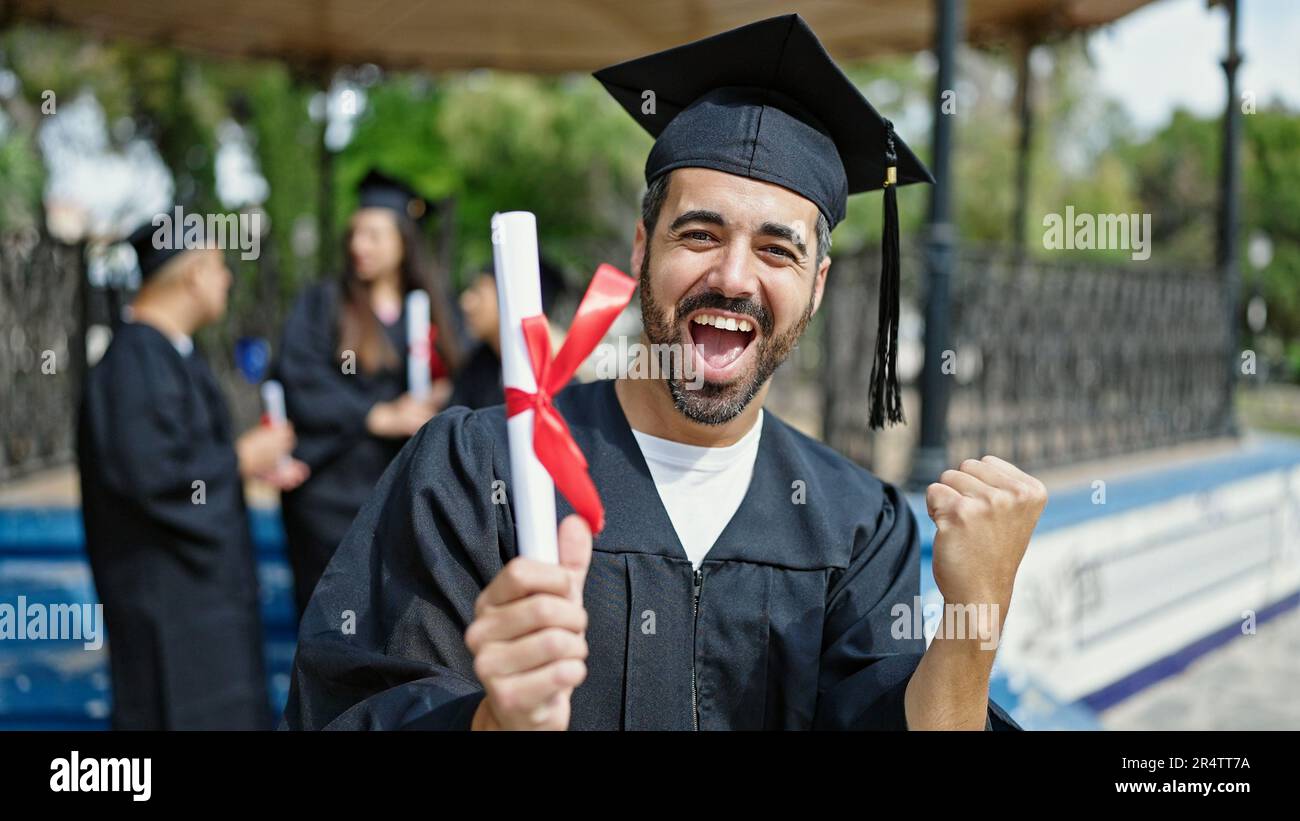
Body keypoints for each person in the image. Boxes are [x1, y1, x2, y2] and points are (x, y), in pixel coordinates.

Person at [283, 15, 1047, 731]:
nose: (733, 276)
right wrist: (491, 719)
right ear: (642, 250)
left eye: (777, 250)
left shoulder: (856, 526)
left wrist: (971, 626)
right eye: (700, 233)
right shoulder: (476, 473)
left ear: (815, 286)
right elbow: (349, 704)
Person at [78, 214, 307, 730]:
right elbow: (151, 478)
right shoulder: (135, 363)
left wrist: (240, 472)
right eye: (220, 266)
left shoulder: (171, 357)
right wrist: (240, 460)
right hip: (169, 624)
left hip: (204, 617)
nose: (226, 279)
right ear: (194, 272)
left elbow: (184, 467)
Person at [275, 170, 461, 618]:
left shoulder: (435, 306)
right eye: (356, 233)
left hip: (404, 487)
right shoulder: (325, 302)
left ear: (403, 240)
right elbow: (298, 380)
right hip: (331, 493)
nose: (361, 245)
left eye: (374, 235)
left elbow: (464, 375)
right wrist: (375, 414)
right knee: (333, 615)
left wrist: (440, 395)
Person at [449, 257, 569, 410]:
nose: (465, 302)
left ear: (510, 299)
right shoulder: (478, 364)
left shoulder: (557, 374)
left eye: (478, 292)